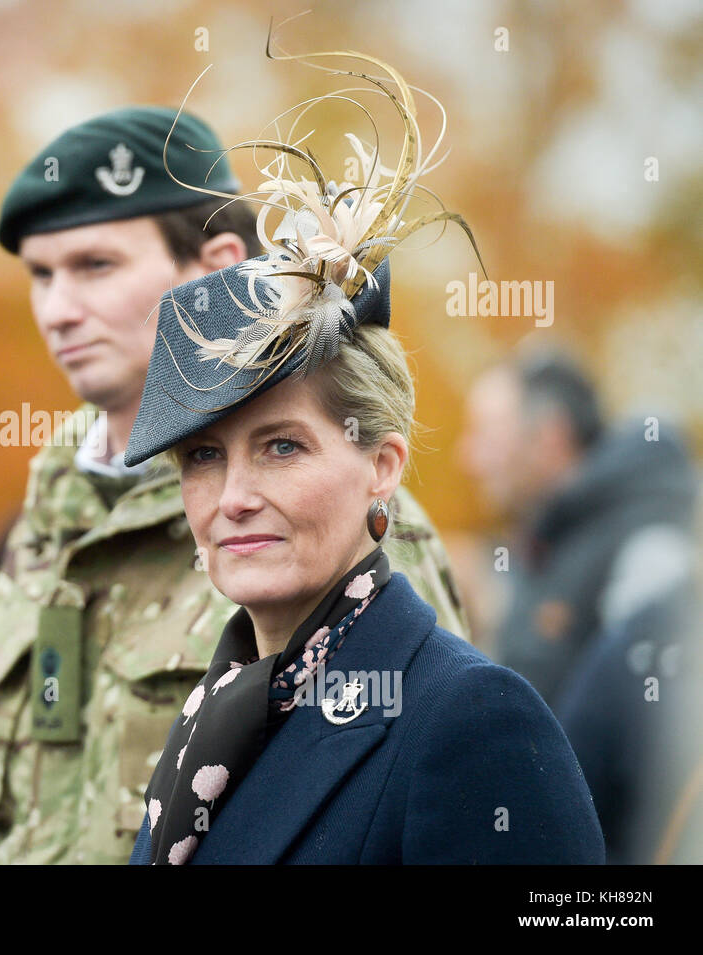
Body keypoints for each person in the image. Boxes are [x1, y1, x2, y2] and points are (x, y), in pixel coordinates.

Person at [0, 106, 471, 864]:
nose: (58, 310)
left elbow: (407, 789)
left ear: (218, 261)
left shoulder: (337, 522)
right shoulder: (50, 517)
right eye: (40, 275)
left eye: (96, 266)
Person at [124, 56, 604, 864]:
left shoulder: (469, 719)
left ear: (382, 465)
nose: (233, 496)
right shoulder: (222, 709)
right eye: (204, 456)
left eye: (282, 446)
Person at [459, 350, 697, 705]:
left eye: (488, 435)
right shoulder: (547, 540)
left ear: (551, 436)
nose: (468, 458)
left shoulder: (651, 543)